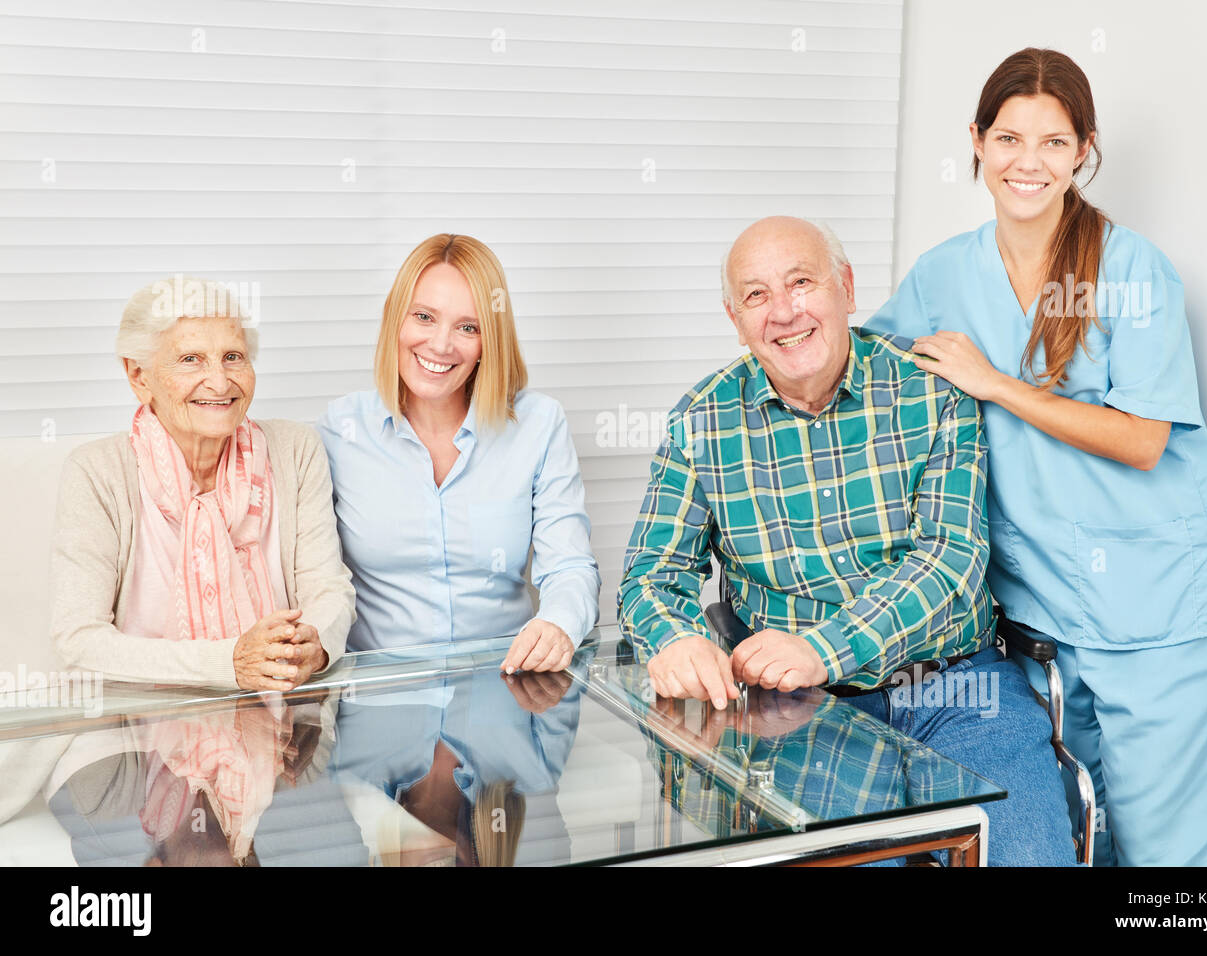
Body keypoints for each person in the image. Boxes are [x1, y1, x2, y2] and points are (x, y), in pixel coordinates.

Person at [866, 48, 1207, 866]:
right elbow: (862, 366)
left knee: (1171, 865)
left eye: (1052, 142)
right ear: (976, 141)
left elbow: (1143, 439)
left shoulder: (1133, 271)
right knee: (1081, 846)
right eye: (1007, 139)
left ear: (1084, 150)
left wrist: (997, 385)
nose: (1026, 163)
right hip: (1035, 626)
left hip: (1151, 620)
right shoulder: (943, 275)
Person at [618, 215, 1077, 866]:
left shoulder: (935, 391)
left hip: (957, 686)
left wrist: (822, 648)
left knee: (1029, 858)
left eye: (801, 282)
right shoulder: (701, 421)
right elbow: (649, 577)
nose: (782, 312)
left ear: (847, 288)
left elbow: (950, 559)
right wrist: (675, 637)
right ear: (734, 318)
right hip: (802, 711)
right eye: (756, 296)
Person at [50, 276, 355, 691]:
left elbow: (329, 589)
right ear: (139, 375)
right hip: (139, 732)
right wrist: (227, 663)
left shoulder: (294, 449)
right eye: (191, 359)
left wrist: (314, 645)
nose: (219, 381)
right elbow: (79, 641)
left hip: (285, 719)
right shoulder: (97, 472)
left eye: (233, 356)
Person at [317, 234, 599, 673]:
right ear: (397, 320)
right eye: (425, 317)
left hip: (504, 690)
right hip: (380, 703)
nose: (441, 345)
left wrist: (558, 623)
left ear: (491, 340)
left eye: (468, 327)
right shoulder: (341, 430)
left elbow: (569, 565)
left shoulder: (539, 424)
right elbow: (317, 586)